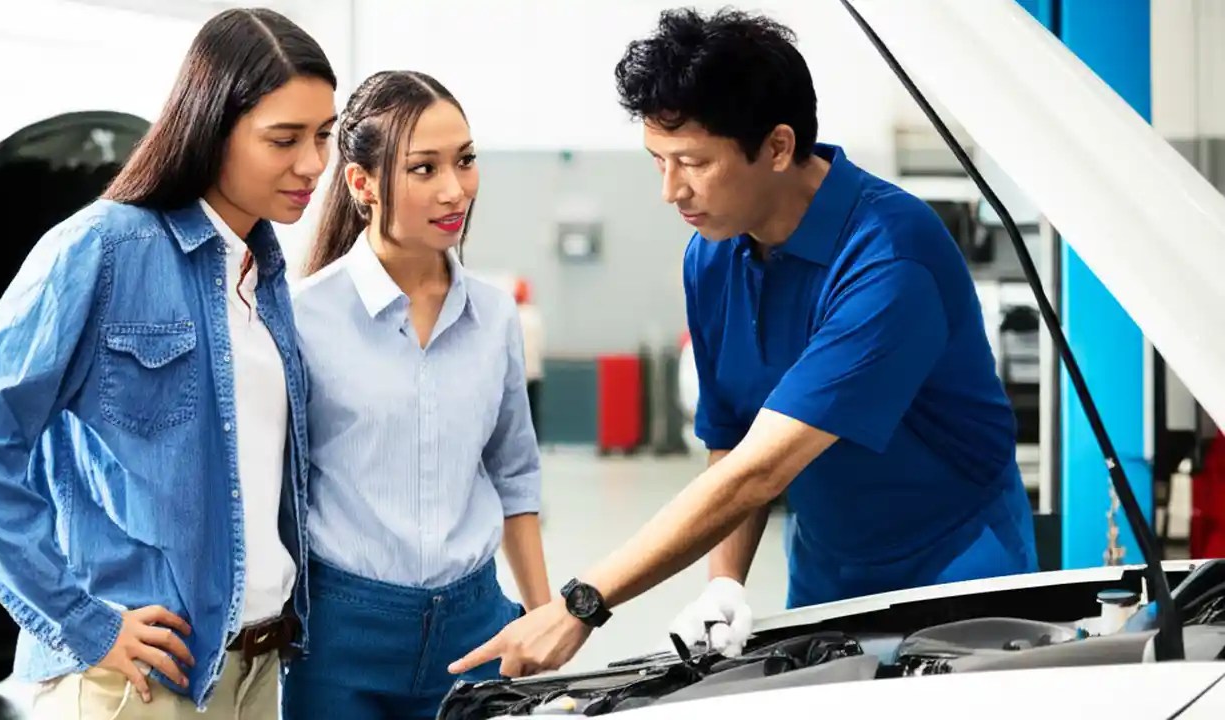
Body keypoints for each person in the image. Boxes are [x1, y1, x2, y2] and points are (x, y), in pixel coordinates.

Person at [450, 7, 1038, 679]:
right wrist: (724, 580)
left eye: (693, 162)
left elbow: (763, 468)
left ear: (779, 147)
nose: (670, 190)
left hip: (957, 572)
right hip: (825, 572)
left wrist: (582, 603)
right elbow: (731, 433)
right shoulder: (715, 254)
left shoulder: (891, 258)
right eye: (657, 162)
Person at [0, 9, 337, 717]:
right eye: (284, 139)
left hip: (253, 672)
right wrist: (82, 622)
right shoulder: (103, 248)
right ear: (213, 129)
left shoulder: (268, 274)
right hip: (140, 684)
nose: (312, 164)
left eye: (323, 136)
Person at [282, 70, 550, 719]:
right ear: (362, 183)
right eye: (423, 169)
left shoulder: (493, 317)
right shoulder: (302, 318)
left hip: (477, 629)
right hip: (341, 642)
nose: (454, 189)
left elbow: (514, 475)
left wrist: (543, 617)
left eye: (464, 161)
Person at [513, 277, 546, 438]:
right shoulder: (534, 316)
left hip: (516, 374)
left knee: (516, 416)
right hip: (534, 372)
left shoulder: (511, 314)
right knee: (533, 413)